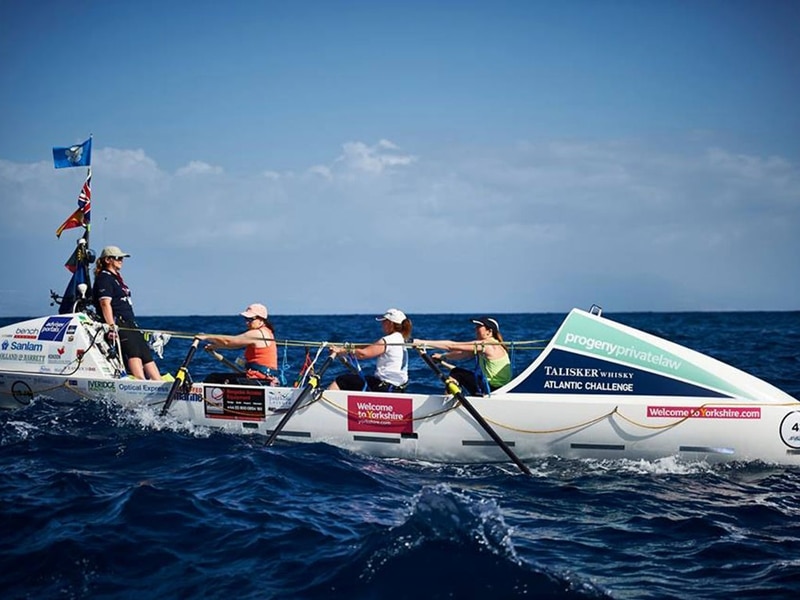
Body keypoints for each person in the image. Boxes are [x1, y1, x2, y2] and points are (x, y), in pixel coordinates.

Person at [93, 245, 162, 380]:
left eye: (122, 258)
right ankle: (140, 381)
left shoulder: (116, 278)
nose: (121, 261)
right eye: (118, 258)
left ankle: (157, 381)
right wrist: (111, 326)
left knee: (145, 352)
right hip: (118, 322)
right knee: (133, 352)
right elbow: (105, 304)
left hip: (130, 322)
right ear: (108, 260)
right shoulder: (104, 278)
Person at [414, 316, 511, 395]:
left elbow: (452, 346)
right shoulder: (496, 344)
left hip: (491, 389)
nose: (475, 329)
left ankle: (448, 401)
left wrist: (420, 342)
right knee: (459, 372)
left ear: (489, 332)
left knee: (457, 373)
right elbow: (462, 354)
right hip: (502, 388)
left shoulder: (486, 345)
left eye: (479, 326)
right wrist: (443, 357)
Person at [328, 308, 412, 392]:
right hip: (399, 387)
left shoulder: (388, 340)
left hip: (384, 387)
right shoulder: (402, 340)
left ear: (390, 323)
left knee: (341, 381)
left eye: (384, 321)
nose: (382, 324)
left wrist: (340, 351)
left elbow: (363, 354)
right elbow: (371, 347)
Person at [199, 303, 279, 384]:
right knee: (215, 377)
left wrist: (206, 337)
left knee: (213, 378)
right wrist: (217, 346)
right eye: (246, 319)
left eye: (251, 319)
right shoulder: (267, 331)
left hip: (261, 379)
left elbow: (229, 341)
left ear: (261, 320)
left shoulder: (258, 333)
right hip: (261, 377)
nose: (247, 322)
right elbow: (234, 345)